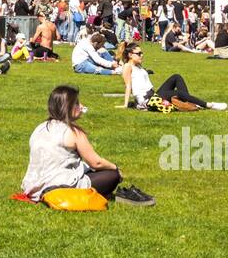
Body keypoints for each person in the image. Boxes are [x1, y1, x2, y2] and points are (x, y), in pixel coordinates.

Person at [21, 85, 154, 206]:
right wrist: (116, 169)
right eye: (77, 103)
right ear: (67, 107)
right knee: (111, 175)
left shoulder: (40, 128)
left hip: (33, 186)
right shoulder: (73, 132)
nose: (81, 105)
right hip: (59, 186)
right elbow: (96, 163)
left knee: (88, 169)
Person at [118, 41, 224, 111]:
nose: (142, 55)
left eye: (142, 53)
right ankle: (208, 105)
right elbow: (128, 86)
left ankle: (188, 103)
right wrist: (125, 104)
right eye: (139, 53)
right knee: (177, 92)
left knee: (176, 77)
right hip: (146, 100)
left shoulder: (138, 66)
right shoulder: (127, 66)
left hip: (153, 95)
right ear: (130, 55)